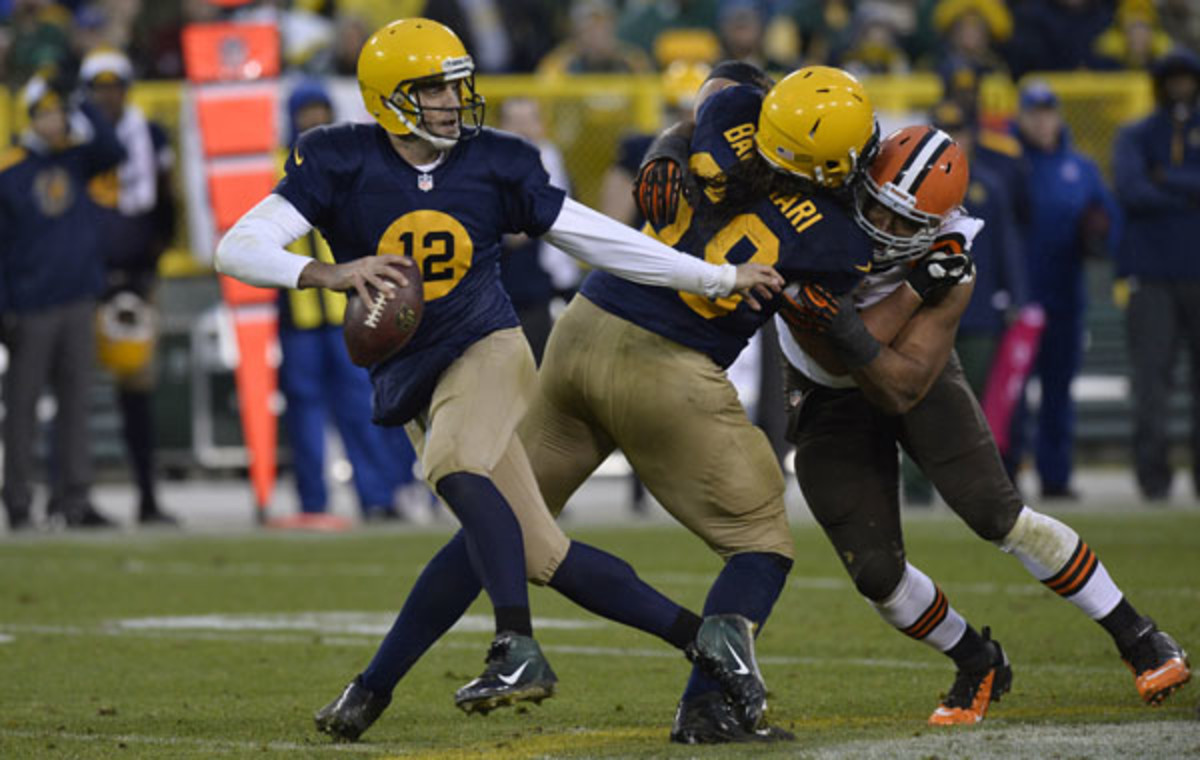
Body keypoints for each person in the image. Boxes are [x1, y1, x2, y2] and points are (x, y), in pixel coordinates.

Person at [215, 17, 783, 739]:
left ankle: (515, 645)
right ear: (390, 98)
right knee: (545, 554)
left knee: (453, 464)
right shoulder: (339, 159)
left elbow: (596, 236)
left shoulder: (495, 162)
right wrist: (326, 270)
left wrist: (717, 276)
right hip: (414, 371)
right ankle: (709, 647)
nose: (454, 102)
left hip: (488, 346)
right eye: (434, 90)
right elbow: (238, 246)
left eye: (457, 86)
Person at [779, 125, 1191, 726]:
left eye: (904, 223)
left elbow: (898, 385)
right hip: (822, 391)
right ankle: (978, 660)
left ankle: (1139, 635)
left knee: (998, 514)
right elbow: (828, 359)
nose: (883, 230)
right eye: (877, 208)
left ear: (934, 226)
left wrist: (858, 317)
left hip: (904, 377)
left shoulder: (952, 263)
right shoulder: (815, 208)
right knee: (876, 575)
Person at [272, 78, 423, 524]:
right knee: (304, 412)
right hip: (298, 312)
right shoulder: (275, 169)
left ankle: (375, 496)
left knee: (362, 408)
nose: (314, 120)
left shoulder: (352, 166)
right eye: (306, 113)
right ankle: (313, 503)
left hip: (351, 309)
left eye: (320, 111)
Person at [1, 72, 124, 531]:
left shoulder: (76, 159)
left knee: (75, 407)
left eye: (59, 113)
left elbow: (115, 150)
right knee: (23, 409)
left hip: (77, 300)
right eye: (47, 114)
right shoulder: (9, 171)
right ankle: (17, 501)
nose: (54, 123)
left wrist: (84, 105)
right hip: (30, 307)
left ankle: (73, 500)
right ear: (32, 119)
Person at [80, 48, 180, 527]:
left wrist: (151, 268)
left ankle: (147, 496)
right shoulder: (78, 140)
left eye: (114, 87)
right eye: (99, 88)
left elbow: (166, 205)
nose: (107, 97)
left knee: (138, 391)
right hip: (83, 281)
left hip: (136, 279)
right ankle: (73, 499)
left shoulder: (151, 135)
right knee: (74, 390)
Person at [1009, 81, 1121, 500]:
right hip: (1022, 296)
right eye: (1034, 113)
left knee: (1058, 391)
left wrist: (1101, 234)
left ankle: (1055, 475)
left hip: (1066, 294)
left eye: (1047, 112)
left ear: (1057, 116)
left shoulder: (1082, 167)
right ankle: (1006, 475)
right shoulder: (1013, 163)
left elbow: (1108, 220)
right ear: (1021, 117)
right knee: (1014, 393)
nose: (1041, 121)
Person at [1112, 47, 1200, 502]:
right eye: (1173, 79)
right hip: (1149, 271)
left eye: (1188, 79)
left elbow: (1149, 187)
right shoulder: (1136, 133)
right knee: (1151, 381)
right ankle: (1153, 476)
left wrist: (1168, 179)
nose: (1181, 88)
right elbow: (1129, 189)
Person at [496, 96, 579, 363]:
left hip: (556, 282)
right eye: (514, 122)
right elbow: (514, 236)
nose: (524, 129)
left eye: (530, 120)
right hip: (517, 291)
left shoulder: (555, 162)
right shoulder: (492, 171)